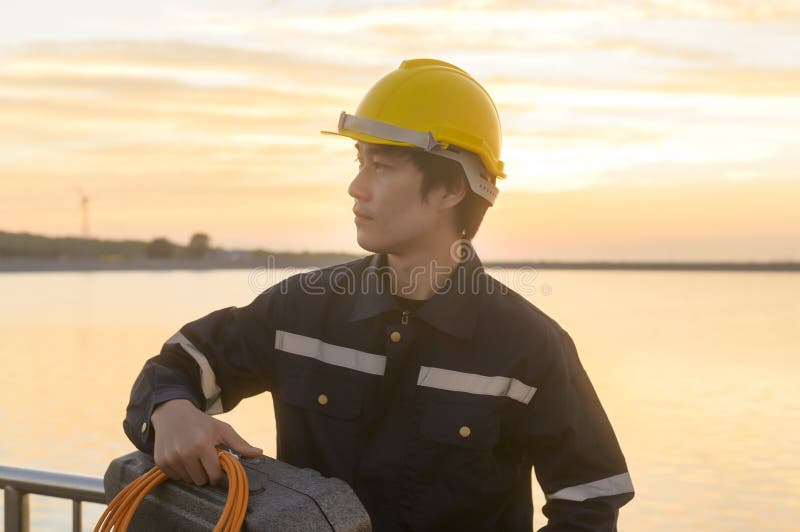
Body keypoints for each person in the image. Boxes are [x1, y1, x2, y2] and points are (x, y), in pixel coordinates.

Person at [123, 58, 634, 531]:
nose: (356, 187)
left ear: (451, 189)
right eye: (359, 161)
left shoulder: (529, 347)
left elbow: (589, 503)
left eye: (381, 167)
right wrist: (171, 411)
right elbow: (175, 368)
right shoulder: (301, 309)